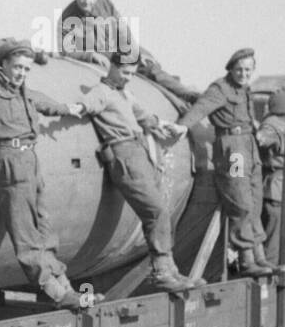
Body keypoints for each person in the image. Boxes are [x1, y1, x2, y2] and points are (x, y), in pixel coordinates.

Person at [0, 40, 87, 308]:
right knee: (25, 231)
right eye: (17, 67)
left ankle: (64, 284)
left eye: (26, 69)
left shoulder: (23, 92)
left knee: (43, 225)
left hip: (29, 160)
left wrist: (70, 109)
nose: (21, 73)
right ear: (4, 64)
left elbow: (48, 104)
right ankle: (54, 291)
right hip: (8, 161)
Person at [78, 54, 200, 292]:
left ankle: (170, 268)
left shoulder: (125, 92)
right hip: (124, 154)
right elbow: (88, 104)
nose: (128, 78)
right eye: (125, 72)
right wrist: (74, 107)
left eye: (132, 73)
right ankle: (162, 270)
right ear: (112, 67)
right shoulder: (101, 91)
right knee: (155, 210)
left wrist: (160, 125)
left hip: (139, 150)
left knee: (160, 210)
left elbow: (142, 115)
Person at [177, 49, 279, 276]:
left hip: (248, 145)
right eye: (239, 69)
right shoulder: (220, 88)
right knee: (240, 201)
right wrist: (183, 126)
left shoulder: (245, 90)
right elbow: (200, 109)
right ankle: (246, 259)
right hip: (232, 148)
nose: (243, 73)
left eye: (248, 70)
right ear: (231, 69)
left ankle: (260, 257)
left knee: (255, 200)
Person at [57, 0, 200, 105]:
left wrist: (135, 51)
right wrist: (91, 55)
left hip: (117, 47)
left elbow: (122, 28)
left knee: (150, 67)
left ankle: (186, 94)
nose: (87, 1)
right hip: (97, 54)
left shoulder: (104, 3)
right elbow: (65, 50)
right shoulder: (68, 16)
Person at [258, 89, 285, 263]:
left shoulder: (272, 122)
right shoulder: (272, 124)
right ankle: (268, 286)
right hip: (275, 188)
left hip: (276, 188)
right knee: (273, 244)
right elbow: (261, 139)